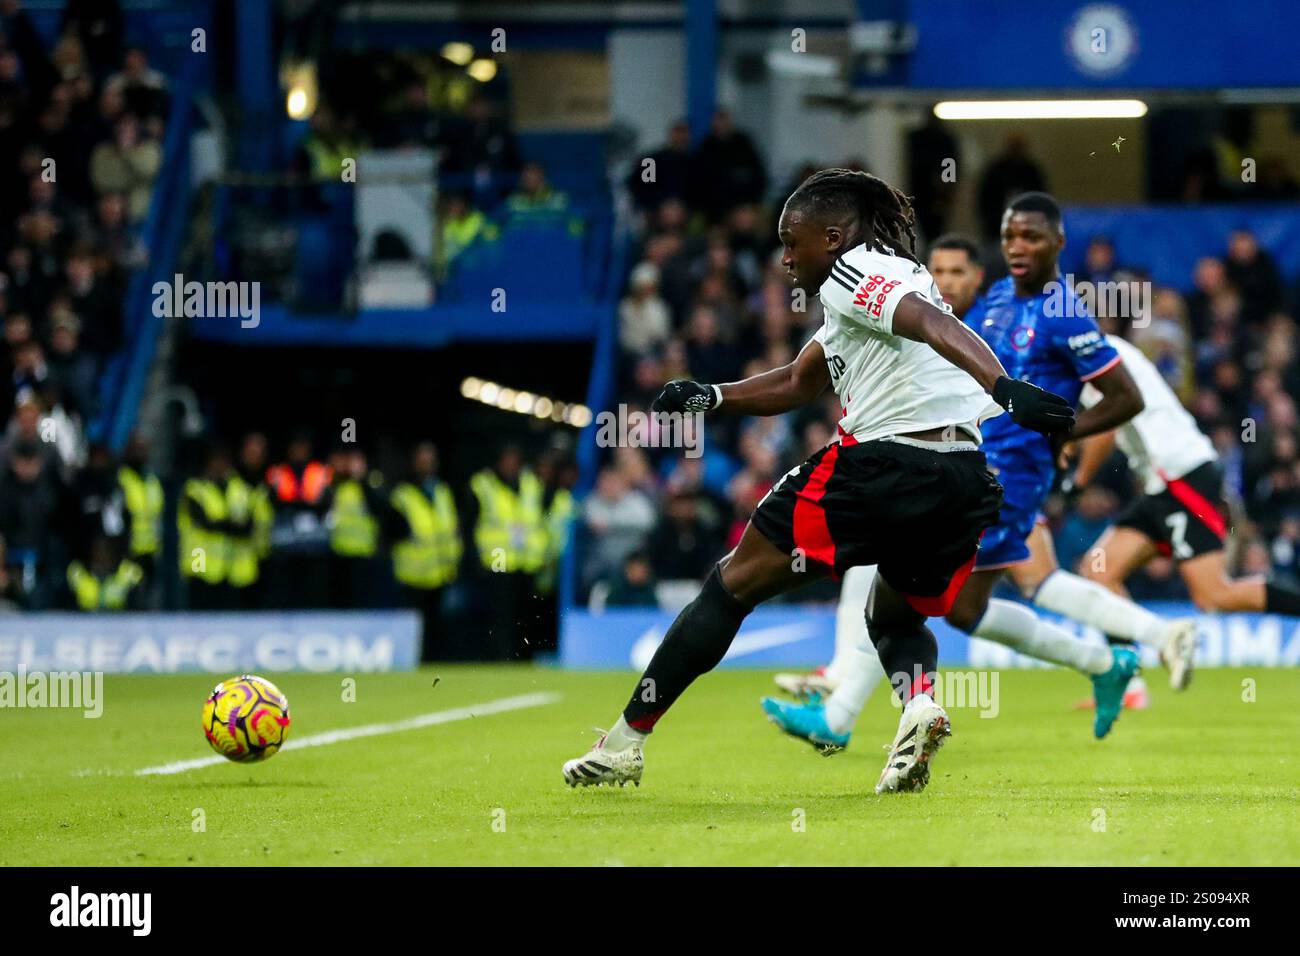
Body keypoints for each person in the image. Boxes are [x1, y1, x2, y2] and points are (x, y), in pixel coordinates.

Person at [561, 169, 1075, 794]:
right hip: (962, 479)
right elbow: (801, 381)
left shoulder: (852, 274)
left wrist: (1006, 388)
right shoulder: (881, 280)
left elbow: (929, 325)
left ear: (832, 237)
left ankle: (625, 742)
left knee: (730, 587)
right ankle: (918, 706)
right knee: (892, 616)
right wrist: (711, 396)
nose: (783, 258)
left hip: (882, 467)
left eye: (791, 241)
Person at [763, 200, 1164, 753]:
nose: (1018, 247)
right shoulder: (994, 302)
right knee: (963, 608)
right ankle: (1106, 662)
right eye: (1009, 236)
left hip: (1008, 480)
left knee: (895, 564)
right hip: (965, 464)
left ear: (1058, 242)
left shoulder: (1063, 311)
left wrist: (1061, 431)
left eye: (1031, 236)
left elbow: (1126, 398)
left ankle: (838, 709)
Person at [1075, 332, 1300, 624]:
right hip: (1161, 483)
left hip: (1183, 475)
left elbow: (1104, 426)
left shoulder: (1092, 356)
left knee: (1212, 595)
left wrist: (1078, 481)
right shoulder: (1100, 350)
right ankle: (1133, 663)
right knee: (1099, 572)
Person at [469, 444, 548, 660]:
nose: (511, 464)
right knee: (500, 608)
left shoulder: (531, 484)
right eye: (507, 459)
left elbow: (538, 520)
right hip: (498, 555)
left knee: (524, 611)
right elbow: (473, 523)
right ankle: (500, 655)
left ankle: (522, 656)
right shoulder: (484, 484)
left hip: (525, 558)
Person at [389, 442, 461, 659]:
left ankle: (435, 663)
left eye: (430, 459)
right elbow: (392, 533)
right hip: (412, 575)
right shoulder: (402, 494)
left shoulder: (442, 491)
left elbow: (452, 530)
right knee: (414, 631)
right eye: (423, 459)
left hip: (440, 573)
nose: (427, 464)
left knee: (438, 629)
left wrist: (453, 562)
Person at [326, 446, 386, 609]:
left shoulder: (372, 482)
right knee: (341, 603)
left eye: (356, 460)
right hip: (339, 554)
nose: (351, 465)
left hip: (365, 553)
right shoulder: (338, 485)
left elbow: (380, 508)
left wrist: (361, 479)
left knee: (364, 603)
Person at [179, 444, 232, 610]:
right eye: (216, 461)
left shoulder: (232, 487)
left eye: (224, 462)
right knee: (199, 600)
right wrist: (228, 523)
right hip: (198, 554)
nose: (220, 466)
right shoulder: (195, 488)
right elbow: (203, 521)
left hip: (222, 558)